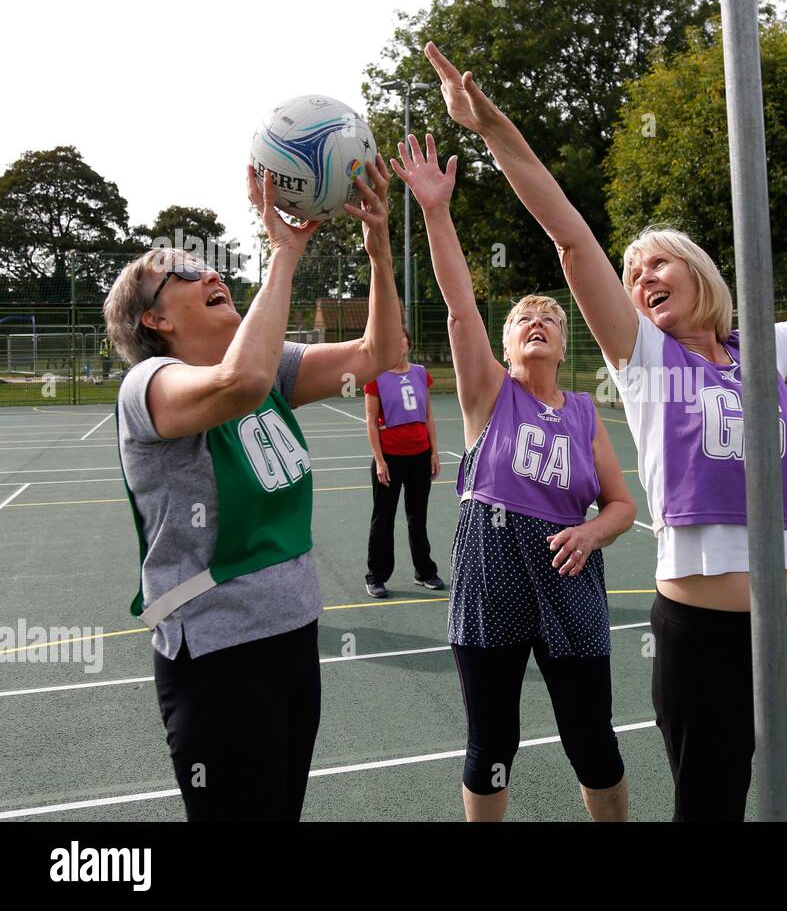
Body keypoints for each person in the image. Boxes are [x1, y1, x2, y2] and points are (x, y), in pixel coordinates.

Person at [419, 42, 787, 820]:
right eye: (634, 274)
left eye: (658, 265)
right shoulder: (641, 358)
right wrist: (491, 130)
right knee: (708, 803)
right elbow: (571, 237)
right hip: (698, 628)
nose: (643, 278)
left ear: (700, 273)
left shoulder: (763, 350)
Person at [104, 160, 404, 821]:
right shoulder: (149, 385)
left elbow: (378, 357)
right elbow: (237, 384)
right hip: (216, 658)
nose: (207, 272)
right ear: (155, 320)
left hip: (294, 637)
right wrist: (284, 254)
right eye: (179, 273)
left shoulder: (267, 365)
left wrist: (380, 254)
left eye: (203, 264)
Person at [388, 130, 636, 821]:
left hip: (567, 574)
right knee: (492, 741)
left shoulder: (586, 413)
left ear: (565, 342)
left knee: (593, 740)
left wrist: (591, 533)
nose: (538, 320)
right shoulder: (489, 395)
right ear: (502, 342)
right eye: (525, 316)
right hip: (490, 570)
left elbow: (621, 505)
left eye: (551, 317)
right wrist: (437, 211)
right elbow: (460, 303)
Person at [363, 324, 445, 598]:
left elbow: (428, 417)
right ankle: (376, 576)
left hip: (419, 457)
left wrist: (434, 452)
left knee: (417, 517)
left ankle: (424, 572)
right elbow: (372, 423)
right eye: (392, 342)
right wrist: (380, 460)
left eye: (402, 341)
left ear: (408, 344)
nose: (398, 346)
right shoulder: (376, 377)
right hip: (390, 459)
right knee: (383, 520)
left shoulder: (421, 374)